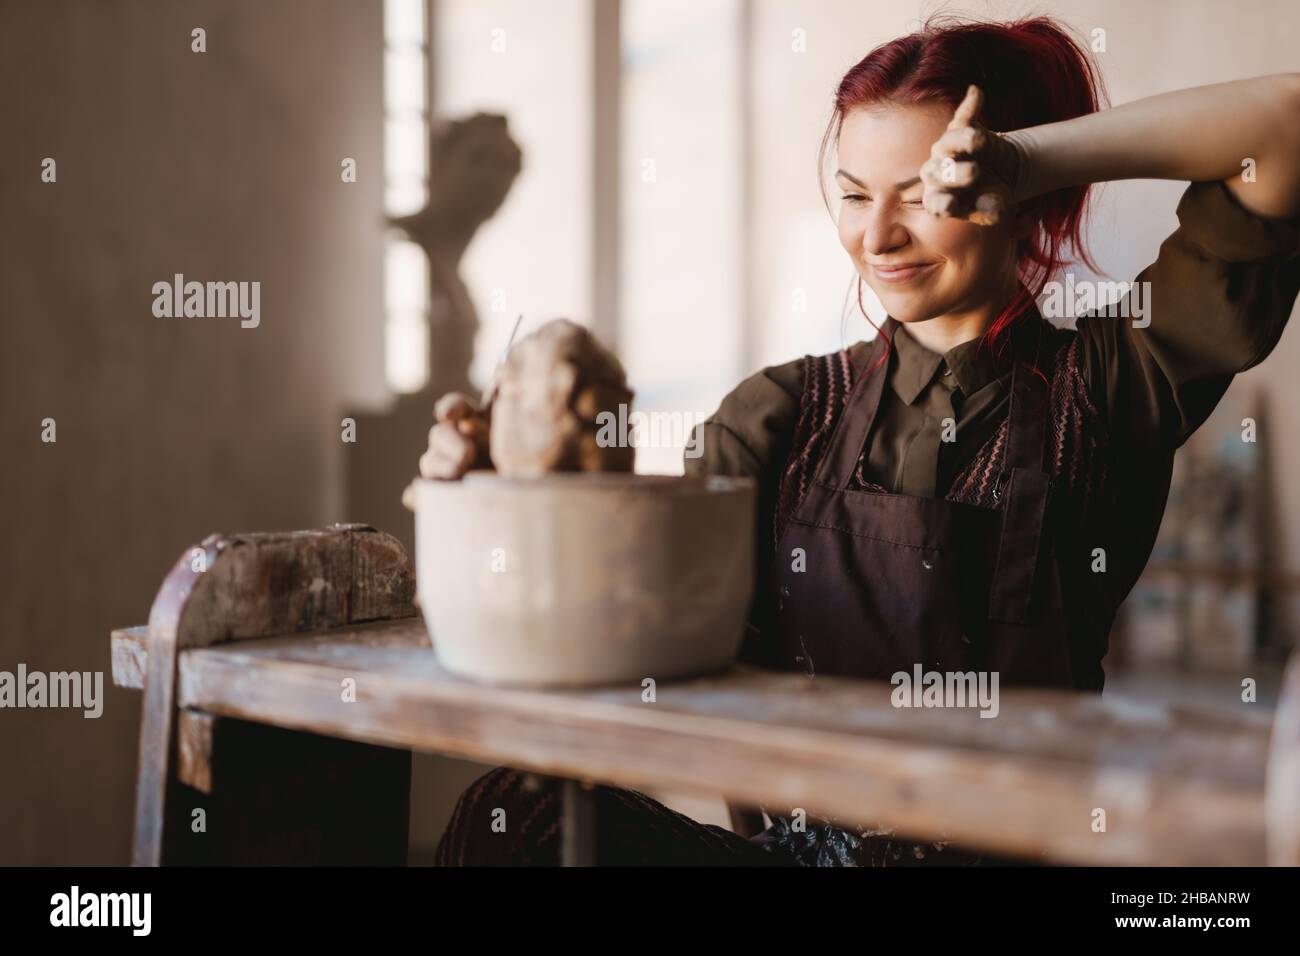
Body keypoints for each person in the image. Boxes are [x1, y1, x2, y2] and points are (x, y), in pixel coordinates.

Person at [437, 15, 1300, 866]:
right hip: (796, 858)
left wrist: (1033, 156)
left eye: (923, 196)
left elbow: (1284, 125)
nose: (877, 237)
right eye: (854, 195)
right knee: (518, 813)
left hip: (1018, 851)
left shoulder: (1111, 388)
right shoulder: (780, 414)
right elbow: (625, 610)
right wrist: (502, 493)